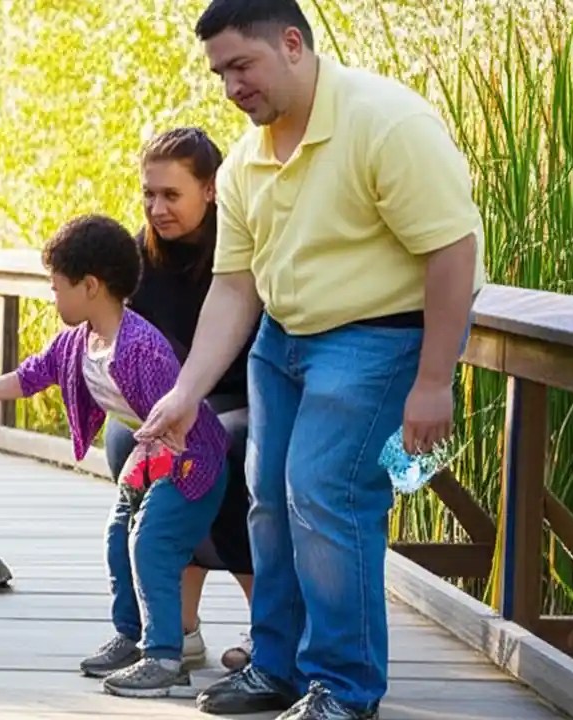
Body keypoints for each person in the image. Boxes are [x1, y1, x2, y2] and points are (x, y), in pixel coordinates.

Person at [134, 1, 485, 719]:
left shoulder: (385, 123)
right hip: (283, 341)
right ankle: (278, 668)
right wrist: (188, 393)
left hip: (378, 335)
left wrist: (433, 380)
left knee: (326, 494)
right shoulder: (244, 163)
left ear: (292, 44)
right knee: (267, 502)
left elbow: (453, 250)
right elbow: (235, 289)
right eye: (220, 73)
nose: (231, 86)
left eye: (242, 65)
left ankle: (345, 690)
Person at [0, 213, 232, 698]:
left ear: (90, 286)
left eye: (57, 286)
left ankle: (165, 657)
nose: (52, 296)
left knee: (150, 543)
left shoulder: (140, 349)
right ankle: (132, 635)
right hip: (152, 462)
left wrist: (154, 459)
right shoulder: (79, 343)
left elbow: (180, 413)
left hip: (191, 463)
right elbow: (32, 374)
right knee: (116, 538)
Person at [101, 126, 256, 673]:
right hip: (168, 402)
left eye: (171, 195)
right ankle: (177, 627)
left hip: (242, 396)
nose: (156, 208)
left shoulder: (238, 245)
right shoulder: (137, 260)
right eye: (148, 194)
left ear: (210, 189)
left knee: (228, 452)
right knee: (126, 441)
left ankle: (267, 627)